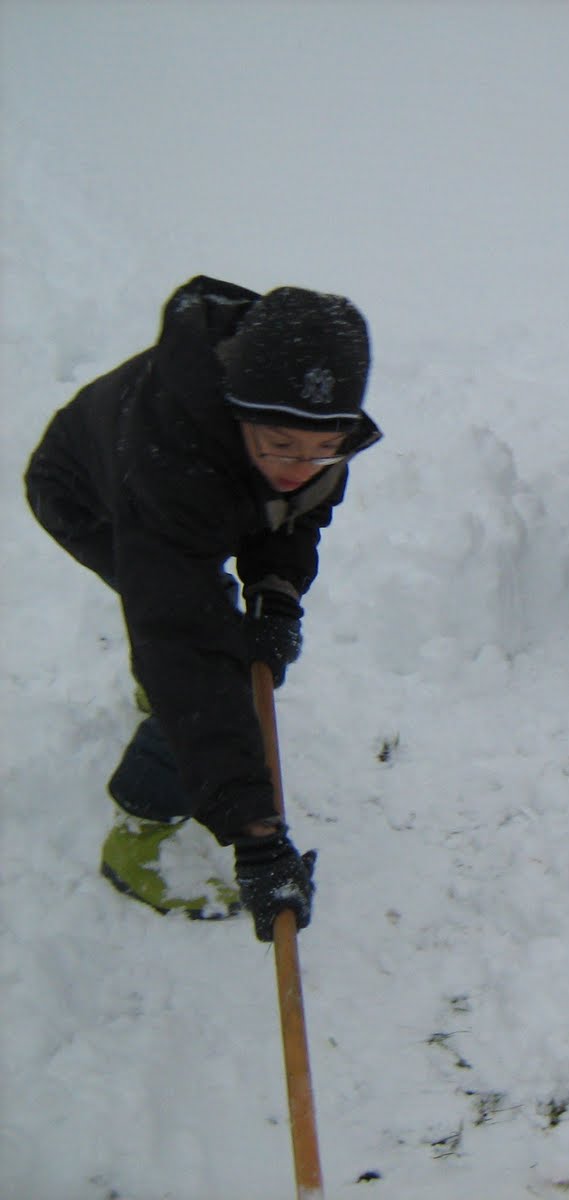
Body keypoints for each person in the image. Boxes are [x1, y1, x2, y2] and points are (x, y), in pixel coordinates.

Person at [24, 276, 381, 939]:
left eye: (324, 449)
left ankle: (172, 712)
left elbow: (294, 511)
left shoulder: (307, 430)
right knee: (202, 666)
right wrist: (256, 836)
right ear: (237, 410)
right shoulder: (172, 459)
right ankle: (139, 837)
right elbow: (186, 640)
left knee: (207, 647)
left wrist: (276, 598)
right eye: (281, 445)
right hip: (87, 497)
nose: (301, 465)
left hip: (184, 493)